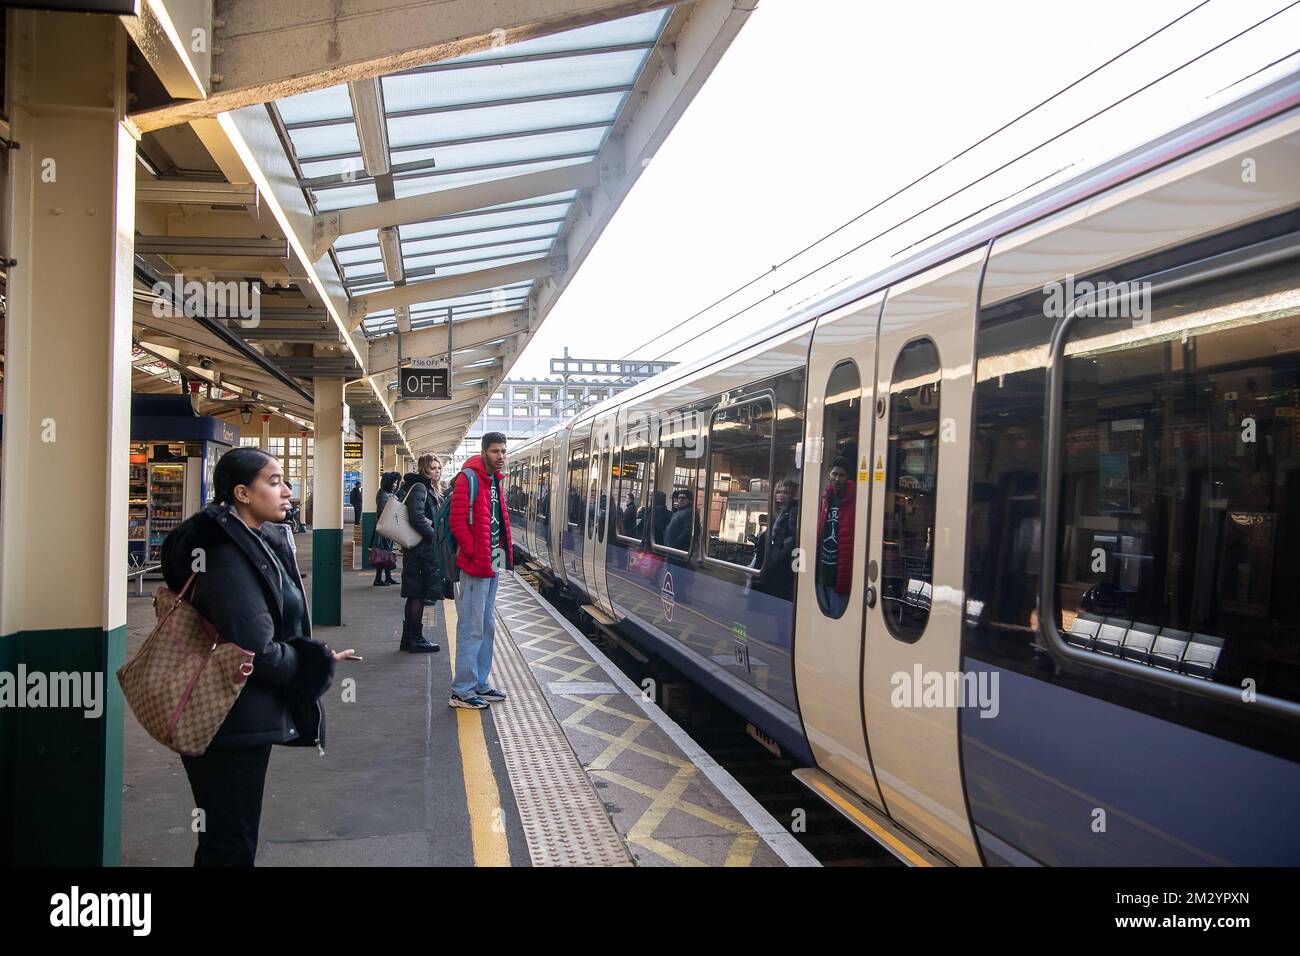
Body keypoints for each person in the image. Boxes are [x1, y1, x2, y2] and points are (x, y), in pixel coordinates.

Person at [160, 446, 355, 867]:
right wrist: (313, 661)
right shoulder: (229, 558)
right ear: (242, 494)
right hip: (226, 717)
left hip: (235, 715)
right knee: (230, 846)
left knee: (227, 839)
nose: (287, 491)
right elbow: (256, 651)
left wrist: (316, 656)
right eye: (274, 481)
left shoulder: (249, 543)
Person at [449, 432, 511, 709]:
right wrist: (473, 551)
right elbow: (458, 522)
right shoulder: (468, 478)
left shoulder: (495, 481)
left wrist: (502, 552)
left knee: (487, 625)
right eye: (495, 451)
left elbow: (497, 519)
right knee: (471, 627)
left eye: (503, 451)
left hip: (493, 558)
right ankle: (462, 690)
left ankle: (481, 683)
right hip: (476, 562)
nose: (500, 456)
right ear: (484, 451)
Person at [398, 455, 445, 653]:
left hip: (418, 549)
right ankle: (416, 639)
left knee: (415, 594)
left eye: (438, 468)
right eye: (432, 468)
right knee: (418, 594)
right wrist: (434, 536)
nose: (436, 471)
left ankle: (409, 639)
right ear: (423, 469)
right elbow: (417, 517)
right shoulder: (420, 487)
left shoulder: (424, 487)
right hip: (421, 550)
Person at [817, 458, 855, 616]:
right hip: (822, 573)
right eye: (834, 474)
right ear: (829, 475)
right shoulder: (826, 499)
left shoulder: (855, 501)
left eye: (842, 475)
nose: (837, 479)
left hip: (841, 574)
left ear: (848, 478)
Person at [754, 479, 799, 600]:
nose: (781, 494)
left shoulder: (794, 513)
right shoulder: (777, 514)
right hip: (772, 569)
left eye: (785, 492)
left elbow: (795, 541)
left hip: (783, 571)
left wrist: (776, 557)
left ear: (791, 495)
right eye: (778, 491)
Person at [372, 471, 400, 587]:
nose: (395, 485)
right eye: (394, 482)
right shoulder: (384, 494)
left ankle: (387, 577)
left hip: (388, 527)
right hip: (385, 528)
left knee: (387, 553)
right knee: (383, 553)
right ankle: (379, 579)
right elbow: (383, 512)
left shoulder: (388, 493)